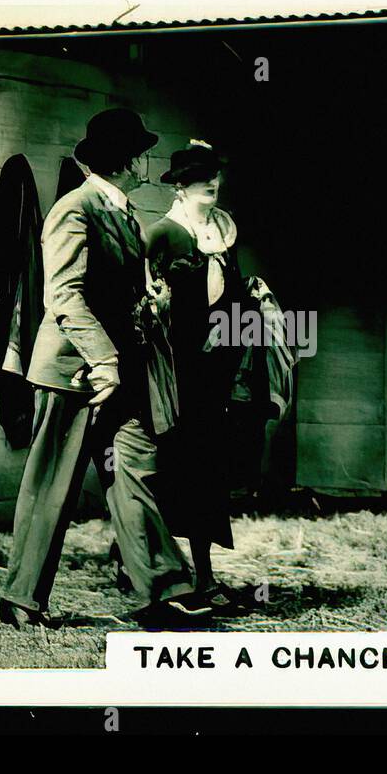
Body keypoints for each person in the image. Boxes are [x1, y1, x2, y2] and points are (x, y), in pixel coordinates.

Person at [0, 108, 204, 629]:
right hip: (75, 372)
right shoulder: (75, 208)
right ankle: (21, 599)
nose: (147, 159)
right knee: (53, 486)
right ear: (125, 159)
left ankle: (160, 591)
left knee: (135, 470)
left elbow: (117, 290)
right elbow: (64, 295)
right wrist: (103, 361)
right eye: (142, 150)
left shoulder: (124, 211)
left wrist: (151, 298)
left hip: (119, 373)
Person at [144, 141, 247, 609]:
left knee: (207, 472)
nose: (214, 189)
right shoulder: (161, 234)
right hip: (171, 375)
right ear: (180, 187)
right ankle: (149, 570)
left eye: (216, 183)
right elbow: (140, 301)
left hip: (212, 373)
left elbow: (234, 296)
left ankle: (204, 575)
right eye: (205, 184)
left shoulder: (224, 233)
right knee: (166, 469)